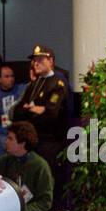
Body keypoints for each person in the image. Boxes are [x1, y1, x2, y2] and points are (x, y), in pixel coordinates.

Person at [12, 45, 69, 202]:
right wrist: (35, 110)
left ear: (50, 61)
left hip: (51, 143)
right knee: (31, 181)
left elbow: (51, 114)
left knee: (50, 181)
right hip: (33, 143)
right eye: (34, 60)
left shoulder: (58, 83)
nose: (35, 63)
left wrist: (34, 110)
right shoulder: (34, 84)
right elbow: (18, 112)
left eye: (40, 59)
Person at [0, 121, 53, 211]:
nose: (6, 141)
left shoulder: (40, 166)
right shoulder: (4, 161)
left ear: (22, 143)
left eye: (10, 139)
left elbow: (45, 202)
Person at [0, 63, 24, 165]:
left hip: (16, 135)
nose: (11, 79)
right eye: (7, 76)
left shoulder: (21, 90)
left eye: (12, 76)